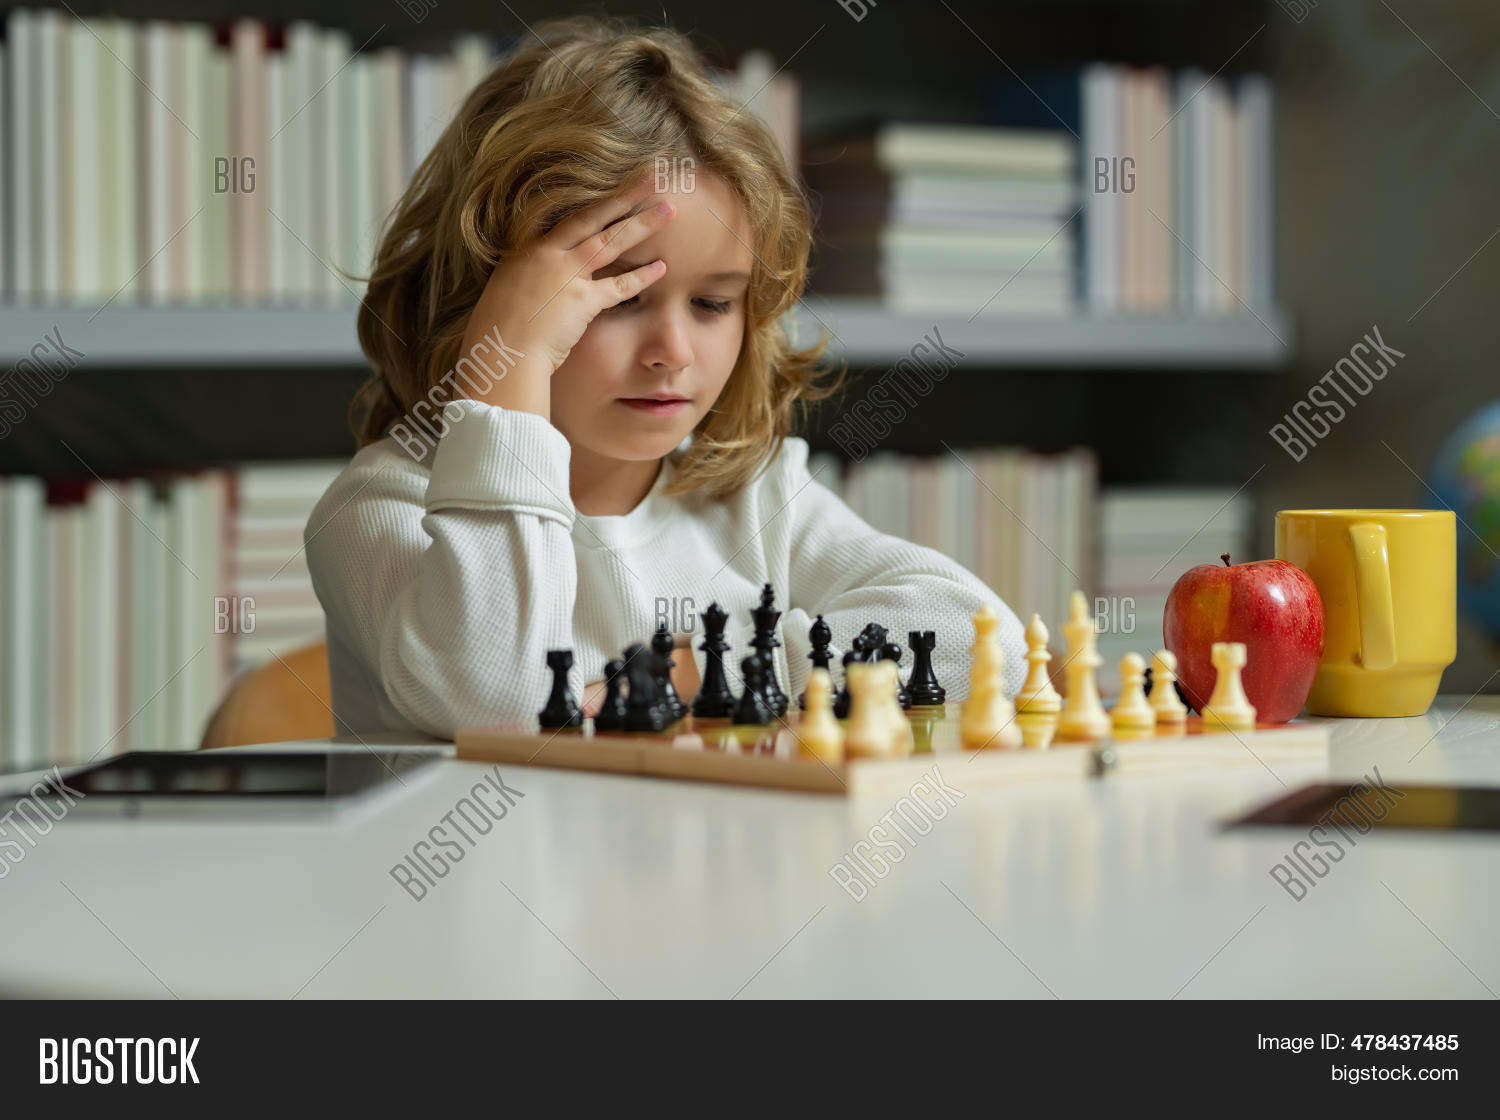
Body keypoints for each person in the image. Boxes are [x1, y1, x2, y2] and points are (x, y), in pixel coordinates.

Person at [306, 16, 1026, 737]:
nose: (672, 351)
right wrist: (510, 363)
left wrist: (717, 672)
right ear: (486, 301)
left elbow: (984, 640)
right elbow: (492, 699)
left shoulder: (752, 497)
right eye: (617, 297)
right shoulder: (377, 508)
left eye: (714, 302)